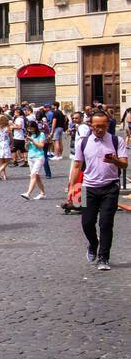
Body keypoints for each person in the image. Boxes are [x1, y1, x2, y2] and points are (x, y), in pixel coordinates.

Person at [75, 111, 126, 271]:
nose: (99, 129)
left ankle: (103, 258)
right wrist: (72, 188)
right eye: (96, 126)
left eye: (103, 126)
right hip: (86, 188)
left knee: (105, 223)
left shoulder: (117, 141)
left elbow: (124, 165)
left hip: (110, 187)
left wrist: (115, 160)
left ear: (108, 125)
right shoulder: (82, 143)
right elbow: (77, 166)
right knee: (86, 223)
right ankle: (93, 243)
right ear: (91, 125)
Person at [21, 122, 48, 200]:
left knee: (33, 174)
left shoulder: (41, 134)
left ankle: (28, 193)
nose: (29, 129)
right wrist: (26, 143)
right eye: (28, 128)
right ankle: (42, 193)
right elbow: (26, 149)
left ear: (35, 127)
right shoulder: (29, 135)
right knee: (37, 176)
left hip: (39, 157)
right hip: (30, 157)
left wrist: (32, 140)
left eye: (31, 128)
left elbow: (41, 146)